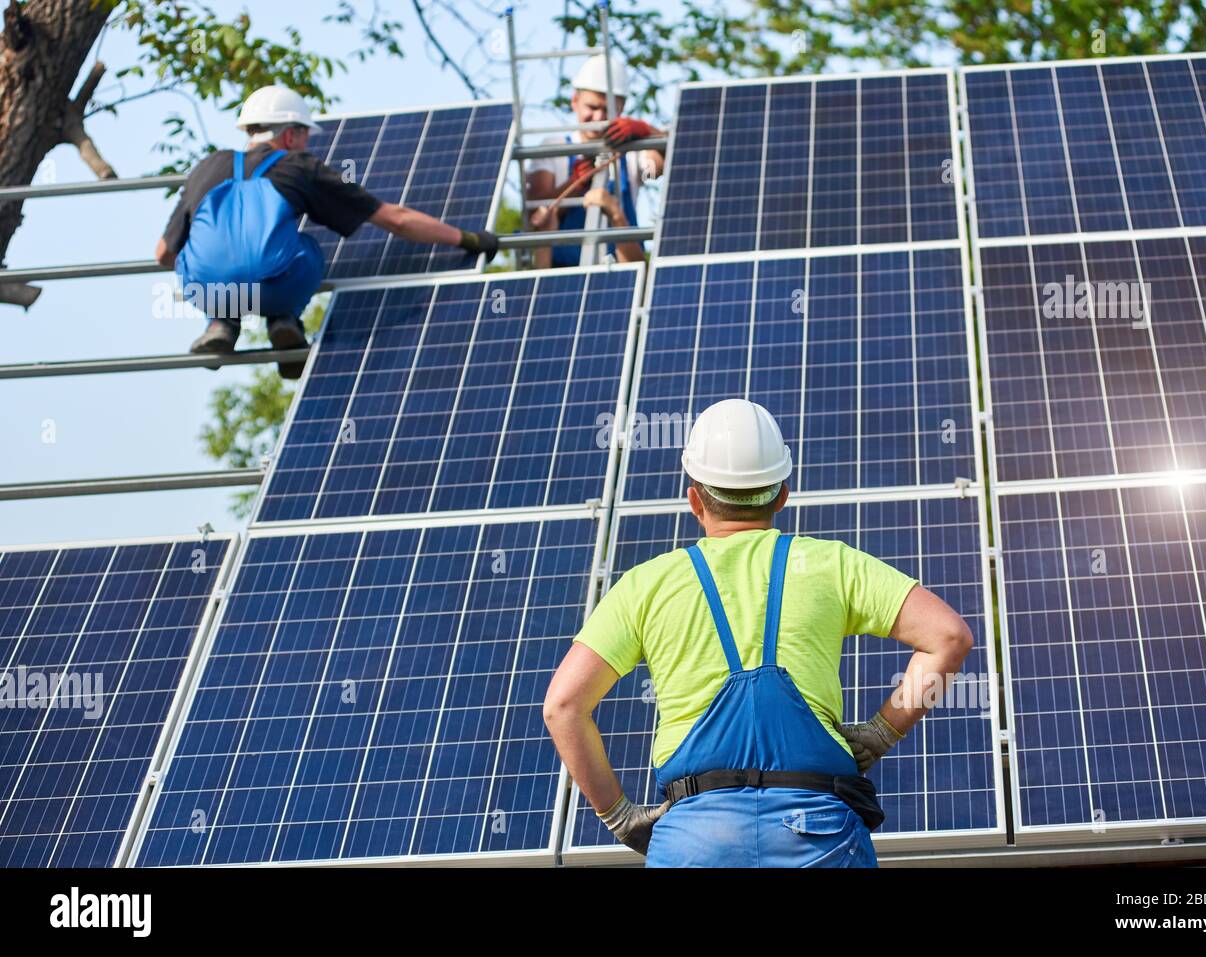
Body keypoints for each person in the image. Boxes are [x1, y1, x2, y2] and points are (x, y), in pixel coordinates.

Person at [543, 399, 975, 867]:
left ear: (694, 500)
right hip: (817, 835)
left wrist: (620, 814)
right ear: (782, 495)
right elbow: (949, 637)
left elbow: (563, 706)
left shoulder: (647, 585)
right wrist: (880, 732)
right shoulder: (831, 565)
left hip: (694, 842)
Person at [156, 85, 498, 378]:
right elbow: (395, 219)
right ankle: (283, 319)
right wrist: (467, 238)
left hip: (206, 289)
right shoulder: (299, 167)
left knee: (203, 261)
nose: (307, 146)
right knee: (306, 248)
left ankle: (221, 323)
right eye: (304, 137)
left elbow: (163, 254)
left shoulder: (206, 166)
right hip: (276, 287)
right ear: (290, 135)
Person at [524, 55, 664, 266]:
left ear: (621, 108)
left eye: (607, 109)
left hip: (618, 271)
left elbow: (665, 164)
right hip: (562, 277)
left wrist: (645, 131)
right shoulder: (554, 147)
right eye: (592, 107)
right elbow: (535, 215)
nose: (598, 117)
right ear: (575, 101)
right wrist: (576, 183)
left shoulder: (633, 155)